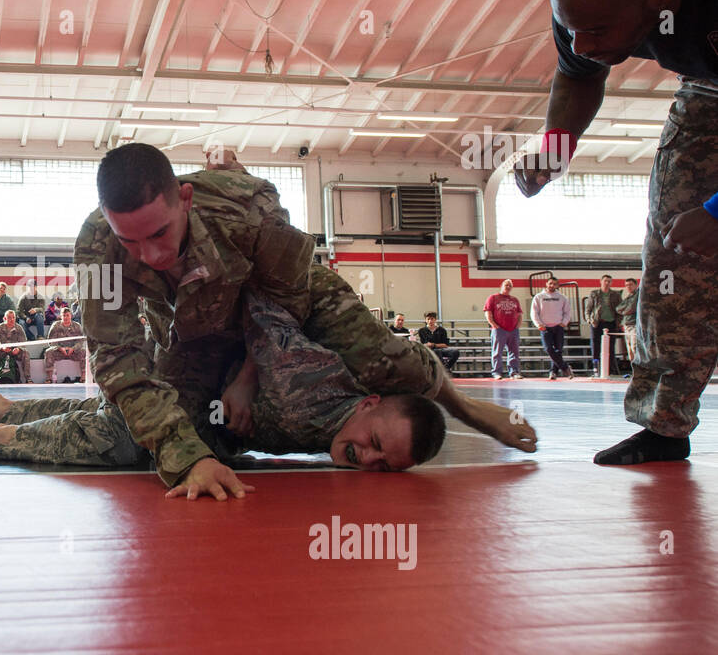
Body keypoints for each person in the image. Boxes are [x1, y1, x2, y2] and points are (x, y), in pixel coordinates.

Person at [75, 143, 534, 498]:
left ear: (187, 200)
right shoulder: (98, 248)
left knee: (383, 358)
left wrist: (249, 376)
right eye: (131, 243)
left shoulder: (247, 209)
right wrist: (188, 458)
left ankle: (468, 407)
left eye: (160, 233)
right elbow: (116, 359)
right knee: (146, 438)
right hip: (193, 330)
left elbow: (282, 300)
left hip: (289, 301)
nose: (151, 255)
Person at [510, 0, 718, 465]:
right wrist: (557, 146)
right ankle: (664, 427)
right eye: (571, 27)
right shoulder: (587, 4)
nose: (580, 42)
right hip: (709, 86)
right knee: (672, 249)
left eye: (596, 32)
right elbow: (578, 74)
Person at [0, 291, 447, 480]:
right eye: (376, 443)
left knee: (114, 416)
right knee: (128, 439)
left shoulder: (341, 429)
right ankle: (7, 438)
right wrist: (249, 379)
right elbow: (262, 306)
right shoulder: (310, 378)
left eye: (386, 465)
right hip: (197, 376)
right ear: (371, 405)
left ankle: (5, 408)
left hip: (215, 424)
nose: (369, 459)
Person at [530, 278, 574, 380]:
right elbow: (534, 312)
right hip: (545, 327)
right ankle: (565, 368)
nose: (551, 285)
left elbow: (567, 312)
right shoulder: (539, 297)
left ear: (557, 285)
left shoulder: (562, 297)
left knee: (558, 351)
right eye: (550, 283)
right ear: (546, 284)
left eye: (554, 284)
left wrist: (564, 323)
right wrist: (539, 324)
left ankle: (553, 372)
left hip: (558, 327)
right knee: (549, 349)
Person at [484, 279, 523, 380]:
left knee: (514, 352)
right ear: (501, 286)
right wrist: (493, 324)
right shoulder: (493, 298)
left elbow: (519, 314)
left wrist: (518, 325)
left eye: (510, 285)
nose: (508, 287)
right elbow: (488, 312)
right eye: (506, 285)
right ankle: (497, 372)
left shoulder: (515, 300)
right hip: (499, 329)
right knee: (497, 352)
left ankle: (514, 372)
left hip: (513, 329)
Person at [585, 274, 623, 375]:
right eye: (605, 281)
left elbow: (620, 309)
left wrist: (619, 322)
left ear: (611, 283)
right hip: (597, 323)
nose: (607, 283)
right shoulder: (594, 293)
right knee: (595, 346)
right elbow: (588, 308)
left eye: (609, 281)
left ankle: (610, 369)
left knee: (611, 347)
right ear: (600, 281)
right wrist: (589, 320)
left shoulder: (616, 295)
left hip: (611, 323)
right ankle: (596, 368)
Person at [43, 307, 86, 382]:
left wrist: (73, 349)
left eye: (67, 315)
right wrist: (60, 348)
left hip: (73, 352)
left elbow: (80, 341)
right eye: (64, 315)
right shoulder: (56, 325)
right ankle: (49, 378)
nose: (65, 317)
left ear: (71, 316)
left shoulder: (77, 326)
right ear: (61, 316)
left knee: (84, 352)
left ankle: (83, 377)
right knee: (48, 352)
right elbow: (51, 341)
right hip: (59, 351)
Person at [0, 310, 30, 383]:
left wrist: (18, 349)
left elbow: (23, 342)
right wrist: (2, 348)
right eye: (9, 318)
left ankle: (28, 378)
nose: (12, 320)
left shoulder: (19, 328)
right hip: (2, 351)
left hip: (15, 351)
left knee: (26, 353)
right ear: (4, 318)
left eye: (13, 317)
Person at [616, 277, 640, 377]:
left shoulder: (637, 295)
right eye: (626, 285)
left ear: (636, 285)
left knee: (635, 347)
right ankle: (634, 371)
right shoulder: (628, 297)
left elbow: (631, 308)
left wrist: (624, 311)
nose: (628, 287)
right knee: (629, 349)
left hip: (634, 324)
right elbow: (618, 308)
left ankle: (639, 370)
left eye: (630, 285)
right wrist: (625, 311)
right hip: (626, 325)